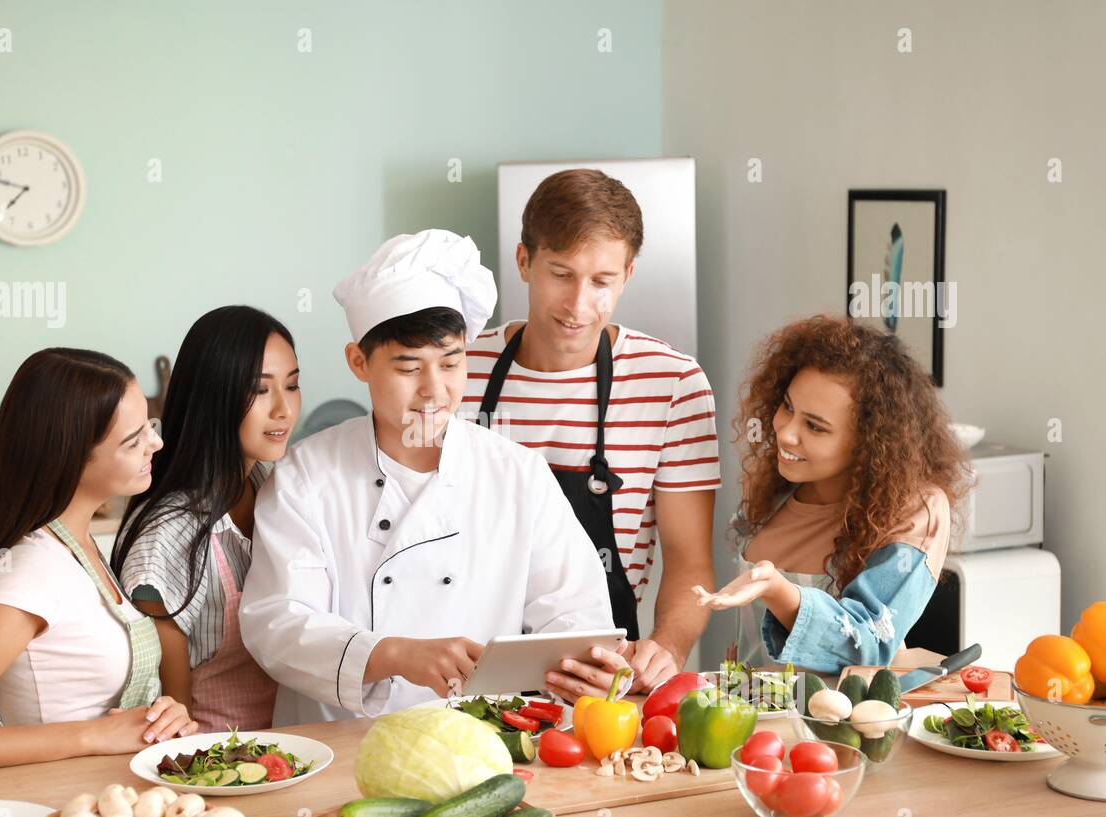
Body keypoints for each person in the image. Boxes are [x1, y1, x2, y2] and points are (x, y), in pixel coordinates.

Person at [240, 228, 632, 725]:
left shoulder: (516, 474)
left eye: (451, 364)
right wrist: (394, 654)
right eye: (409, 368)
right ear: (358, 362)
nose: (435, 391)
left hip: (478, 743)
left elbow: (574, 609)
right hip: (340, 746)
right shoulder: (307, 475)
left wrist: (588, 664)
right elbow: (277, 622)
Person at [463, 168, 719, 698]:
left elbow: (689, 559)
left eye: (602, 281)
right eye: (561, 273)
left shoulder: (674, 383)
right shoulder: (455, 372)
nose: (579, 305)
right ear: (524, 261)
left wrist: (667, 647)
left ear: (627, 274)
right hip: (465, 670)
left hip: (601, 680)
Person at [0, 349, 197, 778]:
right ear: (70, 455)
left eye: (150, 427)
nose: (156, 443)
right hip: (54, 806)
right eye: (133, 440)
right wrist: (92, 736)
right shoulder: (33, 570)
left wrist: (159, 717)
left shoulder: (80, 546)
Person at [693, 316, 972, 671]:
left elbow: (867, 641)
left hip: (843, 721)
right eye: (788, 407)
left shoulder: (916, 508)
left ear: (869, 444)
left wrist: (778, 591)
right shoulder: (779, 489)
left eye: (814, 426)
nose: (786, 433)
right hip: (760, 713)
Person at [113, 307, 299, 732]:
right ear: (215, 395)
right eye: (260, 390)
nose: (285, 409)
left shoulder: (276, 482)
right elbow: (170, 723)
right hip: (219, 765)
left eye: (293, 385)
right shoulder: (169, 535)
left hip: (299, 744)